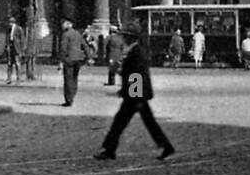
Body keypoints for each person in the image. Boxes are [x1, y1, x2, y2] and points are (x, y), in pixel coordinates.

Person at [94, 20, 174, 161]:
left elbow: (137, 75)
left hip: (136, 95)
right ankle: (165, 146)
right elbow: (131, 73)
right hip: (136, 94)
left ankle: (109, 149)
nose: (123, 38)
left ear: (130, 37)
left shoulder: (136, 52)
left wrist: (134, 95)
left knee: (122, 122)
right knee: (143, 122)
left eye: (125, 35)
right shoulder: (135, 50)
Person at [59, 18, 93, 106]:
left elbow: (63, 48)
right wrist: (89, 57)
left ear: (68, 24)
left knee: (68, 79)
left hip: (68, 59)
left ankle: (69, 99)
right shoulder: (77, 34)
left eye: (63, 24)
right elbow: (85, 46)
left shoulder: (65, 35)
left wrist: (61, 60)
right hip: (78, 59)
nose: (62, 26)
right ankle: (72, 95)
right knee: (74, 78)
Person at [5, 16, 25, 84]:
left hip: (17, 48)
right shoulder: (8, 29)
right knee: (9, 63)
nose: (9, 24)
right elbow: (7, 38)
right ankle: (9, 79)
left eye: (10, 23)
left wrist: (22, 50)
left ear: (13, 23)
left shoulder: (19, 29)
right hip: (10, 47)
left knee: (17, 64)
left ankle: (18, 79)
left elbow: (22, 39)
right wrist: (7, 46)